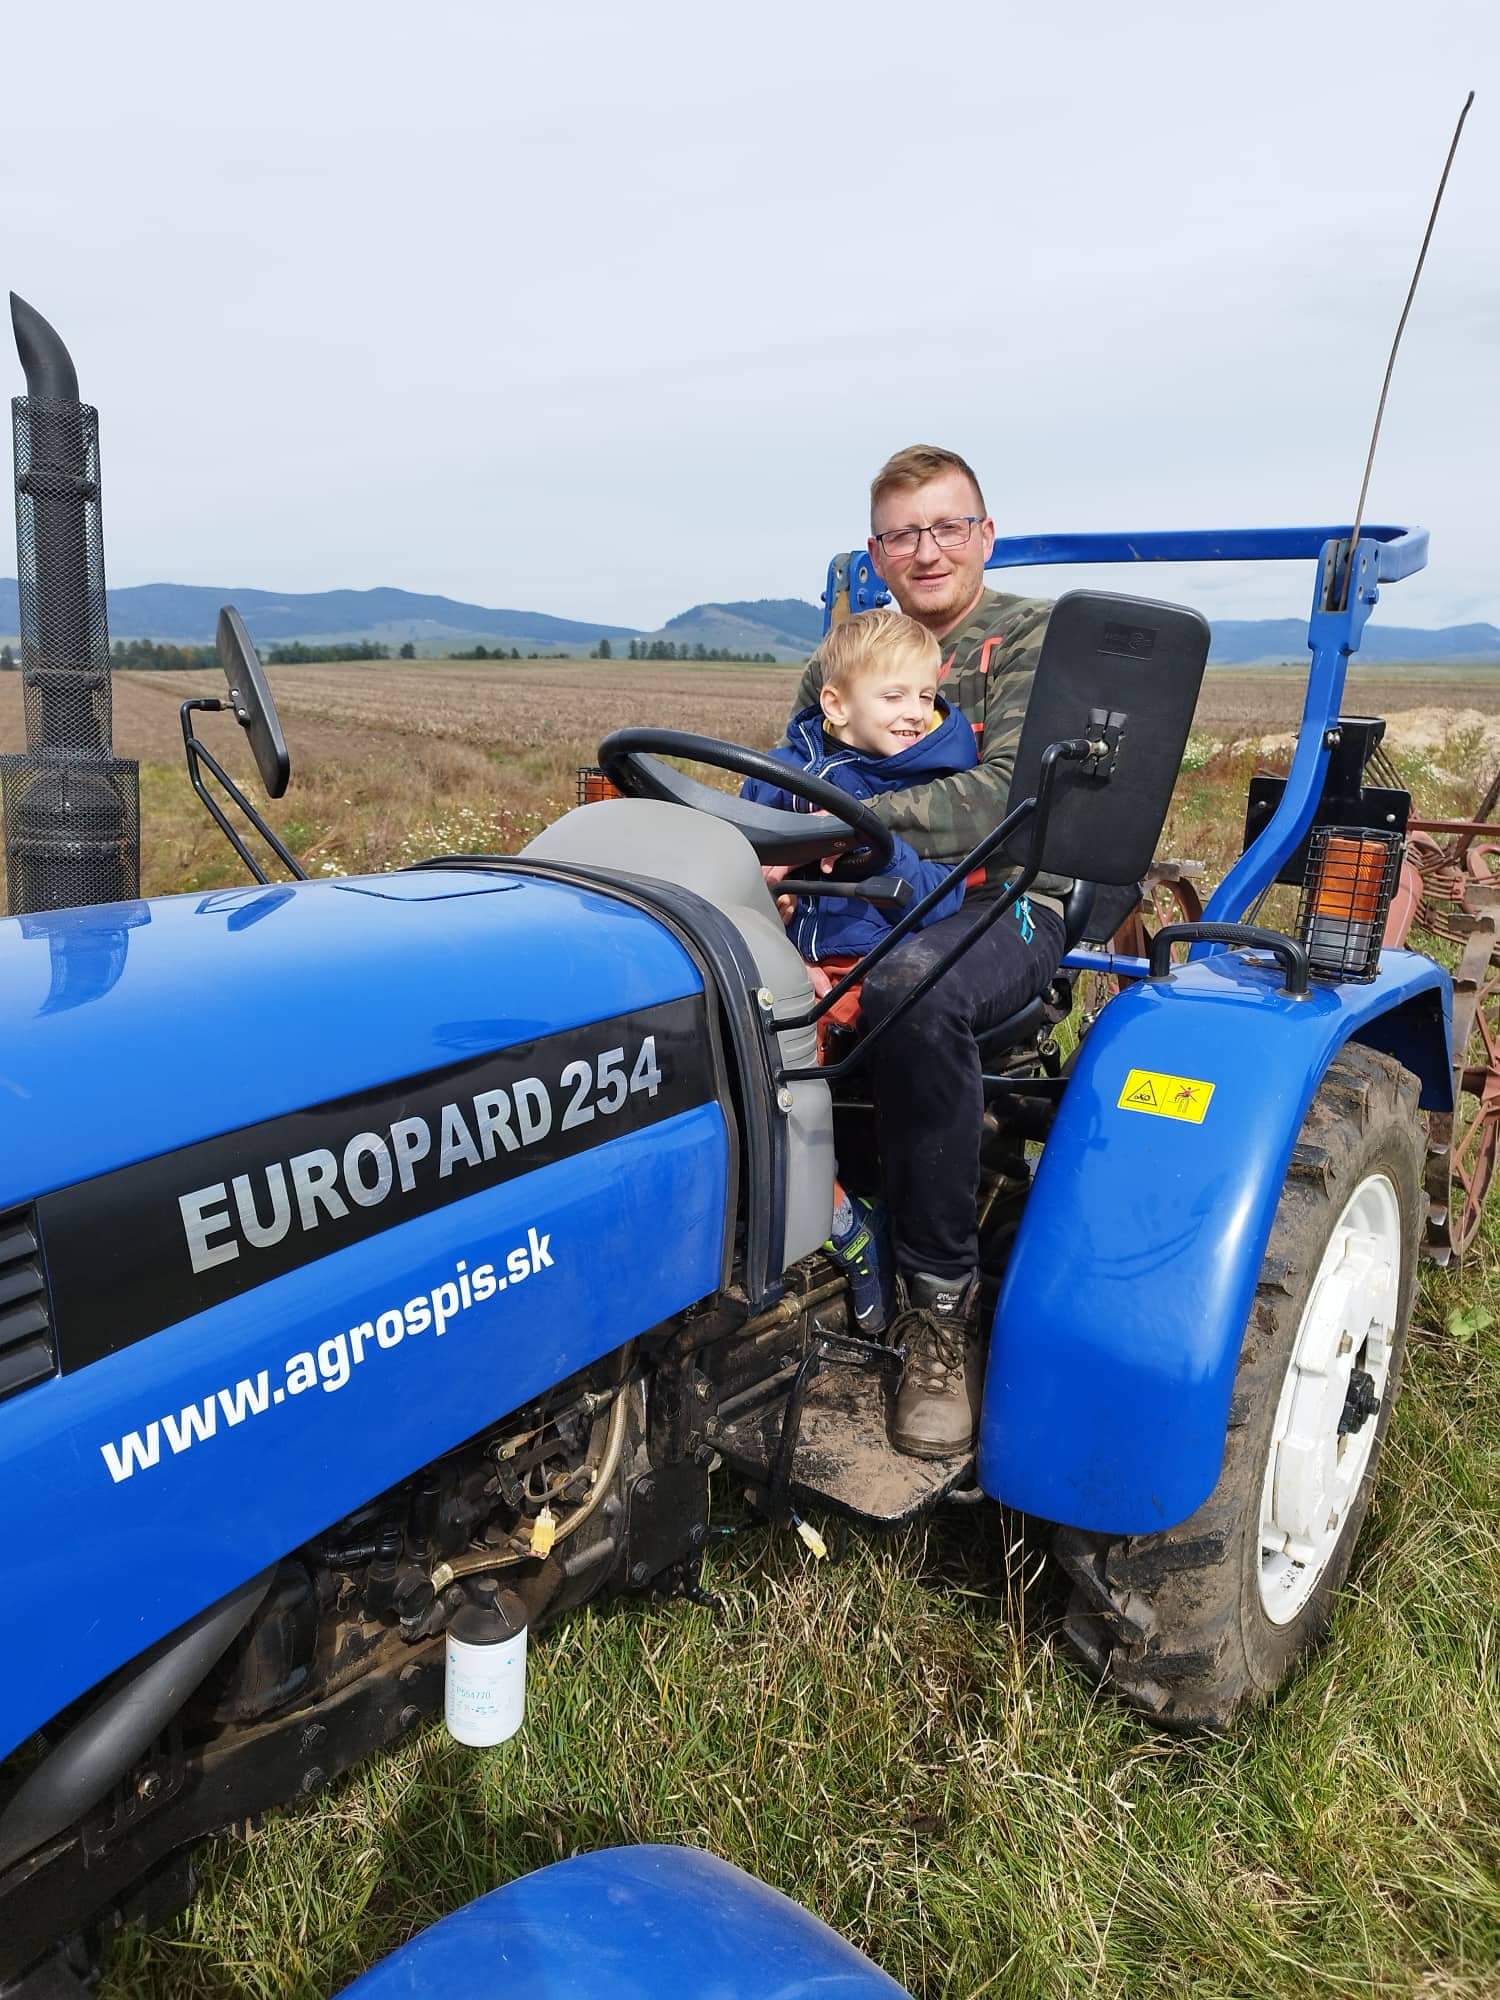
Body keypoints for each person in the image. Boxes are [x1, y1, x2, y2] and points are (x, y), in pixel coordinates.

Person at [783, 444, 1065, 1461]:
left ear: (986, 535)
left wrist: (829, 825)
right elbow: (788, 779)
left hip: (1014, 891)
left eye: (949, 527)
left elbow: (999, 800)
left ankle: (938, 1306)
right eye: (904, 532)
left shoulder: (1034, 641)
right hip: (854, 892)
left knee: (912, 988)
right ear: (876, 549)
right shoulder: (845, 653)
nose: (927, 548)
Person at [740, 607, 998, 1336]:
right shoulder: (778, 773)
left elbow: (941, 896)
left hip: (865, 962)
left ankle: (849, 1229)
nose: (916, 713)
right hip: (779, 952)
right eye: (894, 697)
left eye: (925, 696)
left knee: (778, 1070)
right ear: (835, 705)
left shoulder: (945, 787)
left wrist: (881, 853)